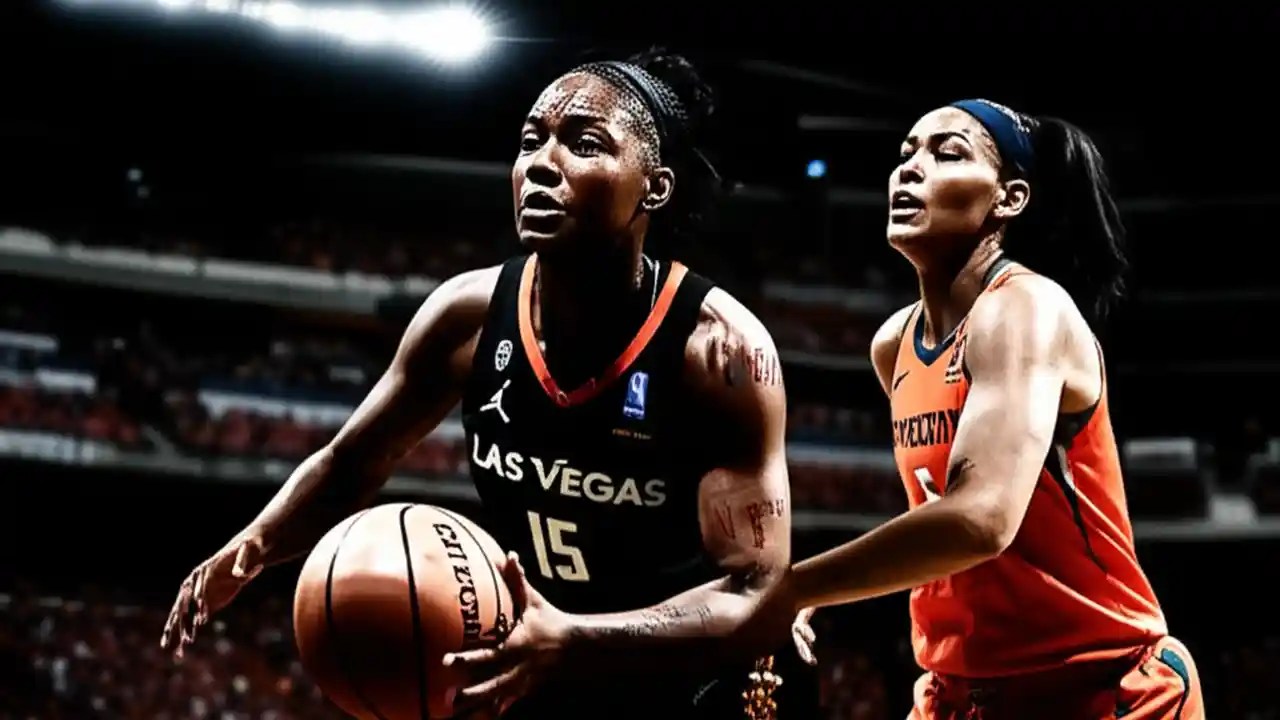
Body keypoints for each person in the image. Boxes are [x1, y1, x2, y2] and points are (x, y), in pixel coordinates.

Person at [160, 50, 814, 718]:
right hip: (540, 650)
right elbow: (352, 462)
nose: (540, 164)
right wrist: (254, 546)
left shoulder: (719, 349)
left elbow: (756, 594)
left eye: (583, 145)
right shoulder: (465, 318)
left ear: (654, 187)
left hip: (693, 675)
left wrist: (576, 636)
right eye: (531, 142)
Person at [784, 99, 1204, 719]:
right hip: (958, 693)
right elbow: (937, 521)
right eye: (906, 155)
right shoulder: (893, 345)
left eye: (946, 154)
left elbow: (979, 519)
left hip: (1098, 686)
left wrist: (796, 585)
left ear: (1009, 199)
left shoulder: (1027, 307)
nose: (910, 169)